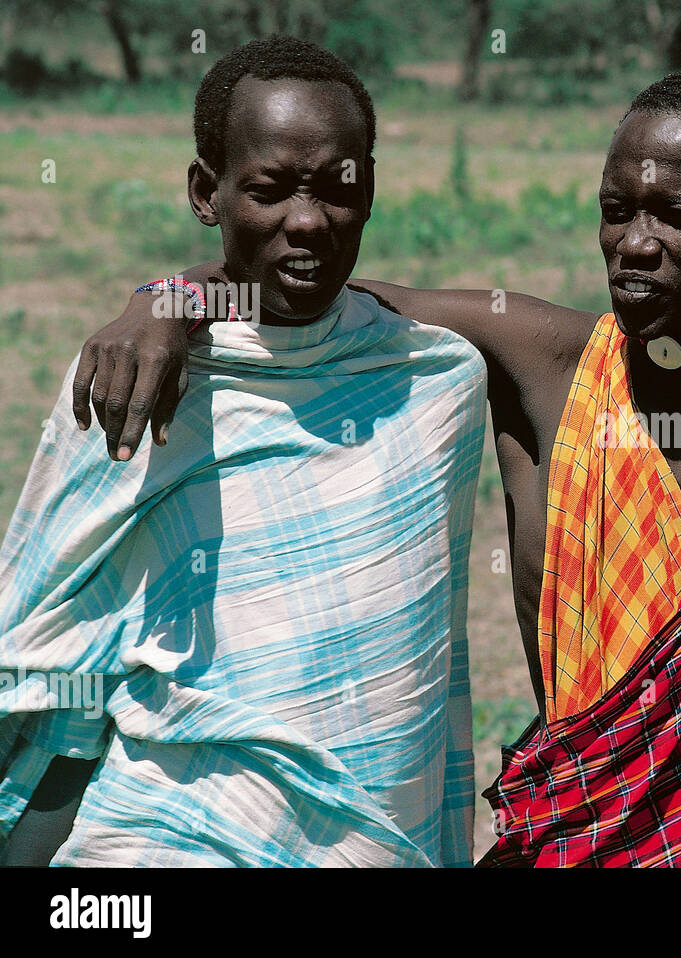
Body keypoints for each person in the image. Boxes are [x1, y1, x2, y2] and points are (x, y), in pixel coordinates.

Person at [72, 64, 681, 866]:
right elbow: (317, 288)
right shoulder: (549, 365)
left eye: (679, 216)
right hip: (577, 828)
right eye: (617, 211)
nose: (636, 243)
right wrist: (169, 299)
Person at [0, 37, 486, 866]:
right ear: (206, 191)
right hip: (162, 840)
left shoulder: (434, 381)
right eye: (267, 190)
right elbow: (55, 667)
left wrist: (173, 290)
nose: (308, 221)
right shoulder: (133, 383)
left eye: (339, 188)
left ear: (369, 190)